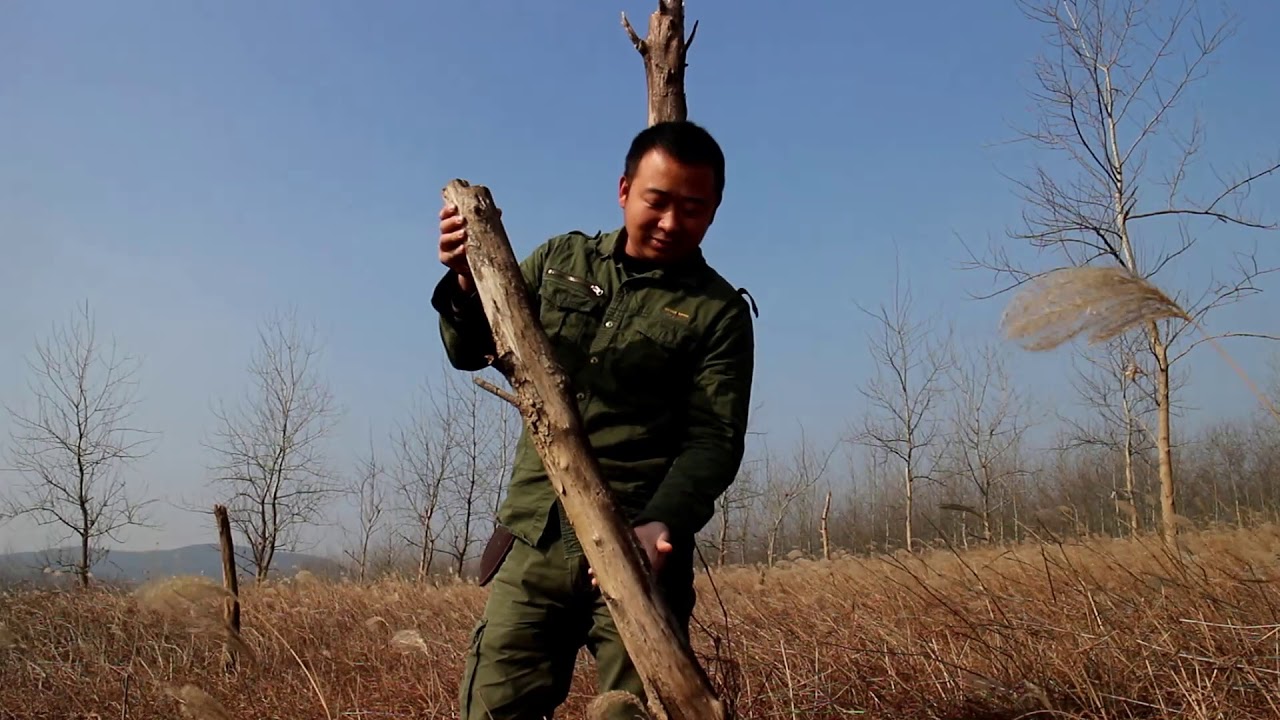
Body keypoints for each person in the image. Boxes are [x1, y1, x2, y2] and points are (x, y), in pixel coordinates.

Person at [431, 119, 755, 720]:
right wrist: (465, 283)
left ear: (714, 211)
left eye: (692, 208)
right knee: (494, 708)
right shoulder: (560, 260)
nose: (670, 221)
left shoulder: (718, 315)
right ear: (624, 190)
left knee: (637, 711)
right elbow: (470, 350)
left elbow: (714, 441)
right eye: (657, 201)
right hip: (535, 536)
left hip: (639, 551)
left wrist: (660, 523)